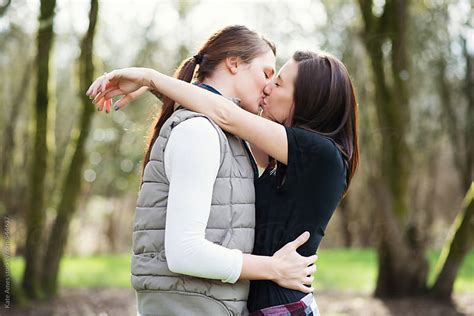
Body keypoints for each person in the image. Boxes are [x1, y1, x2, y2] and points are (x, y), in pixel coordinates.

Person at [87, 25, 318, 316]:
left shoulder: (225, 134)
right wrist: (273, 268)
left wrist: (158, 86)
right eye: (266, 73)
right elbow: (185, 252)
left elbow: (223, 113)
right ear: (234, 63)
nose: (268, 87)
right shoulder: (198, 131)